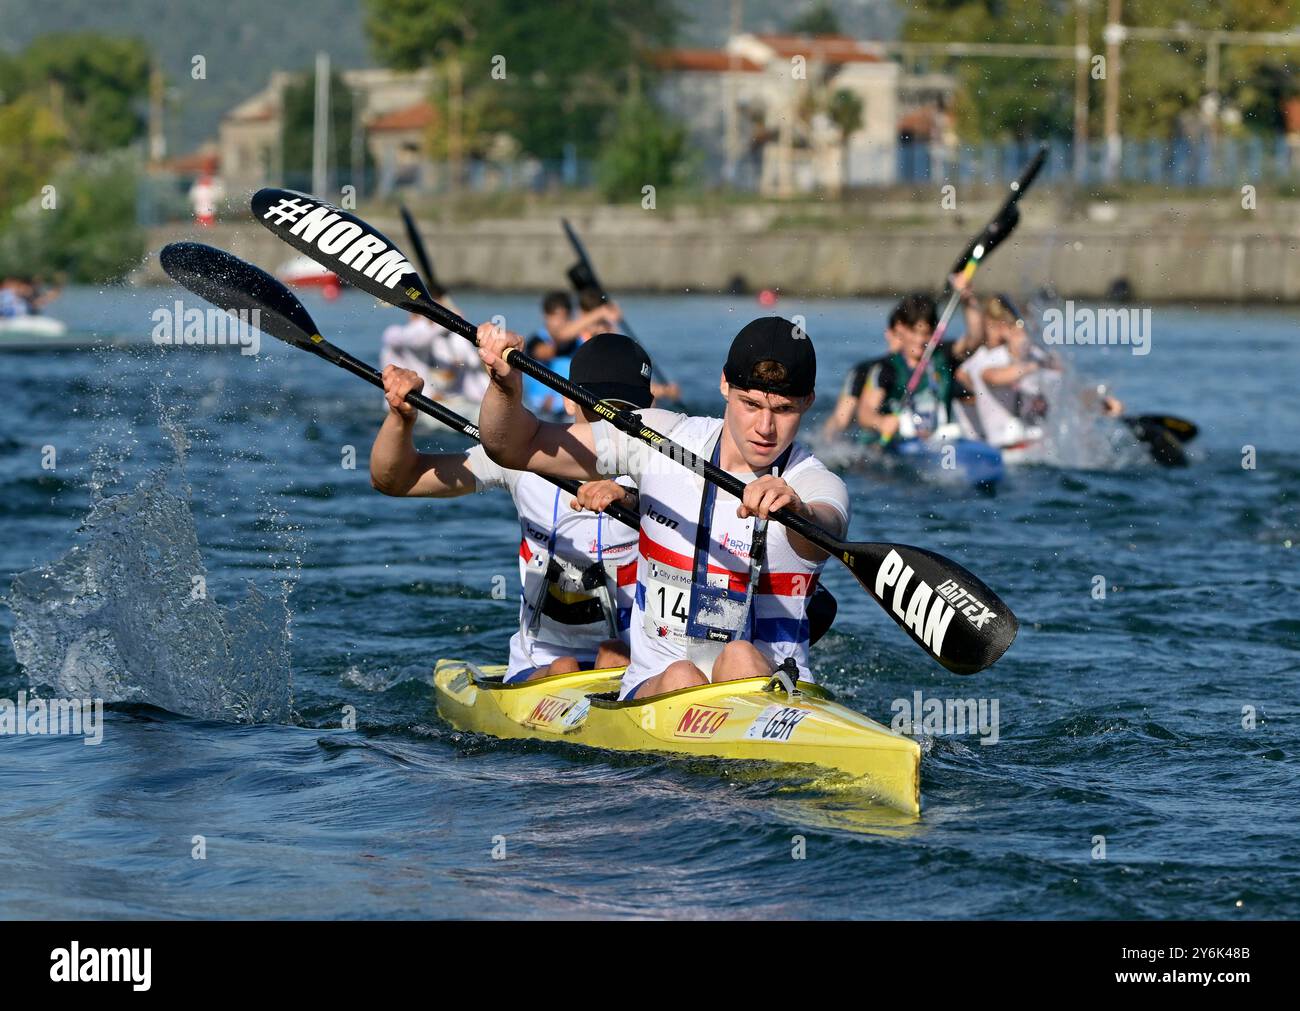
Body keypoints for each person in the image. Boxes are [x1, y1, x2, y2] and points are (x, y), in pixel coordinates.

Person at [473, 315, 849, 702]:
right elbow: (515, 446)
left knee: (740, 658)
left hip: (775, 690)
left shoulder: (814, 483)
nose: (765, 428)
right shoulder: (661, 441)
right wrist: (504, 385)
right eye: (750, 404)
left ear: (808, 401)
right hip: (656, 688)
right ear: (724, 384)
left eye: (784, 410)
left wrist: (798, 511)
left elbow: (826, 525)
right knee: (682, 675)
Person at [371, 333, 657, 682]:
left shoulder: (662, 468)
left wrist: (628, 496)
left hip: (630, 665)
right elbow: (397, 480)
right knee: (566, 667)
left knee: (614, 656)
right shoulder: (523, 458)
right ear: (568, 400)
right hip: (539, 668)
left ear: (651, 409)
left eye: (627, 413)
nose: (611, 425)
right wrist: (401, 419)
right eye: (598, 409)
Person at [850, 281, 986, 444]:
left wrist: (968, 300)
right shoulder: (886, 368)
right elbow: (865, 413)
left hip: (938, 446)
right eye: (914, 332)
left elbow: (976, 338)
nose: (920, 340)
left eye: (927, 333)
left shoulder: (943, 357)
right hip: (895, 447)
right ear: (901, 330)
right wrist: (881, 423)